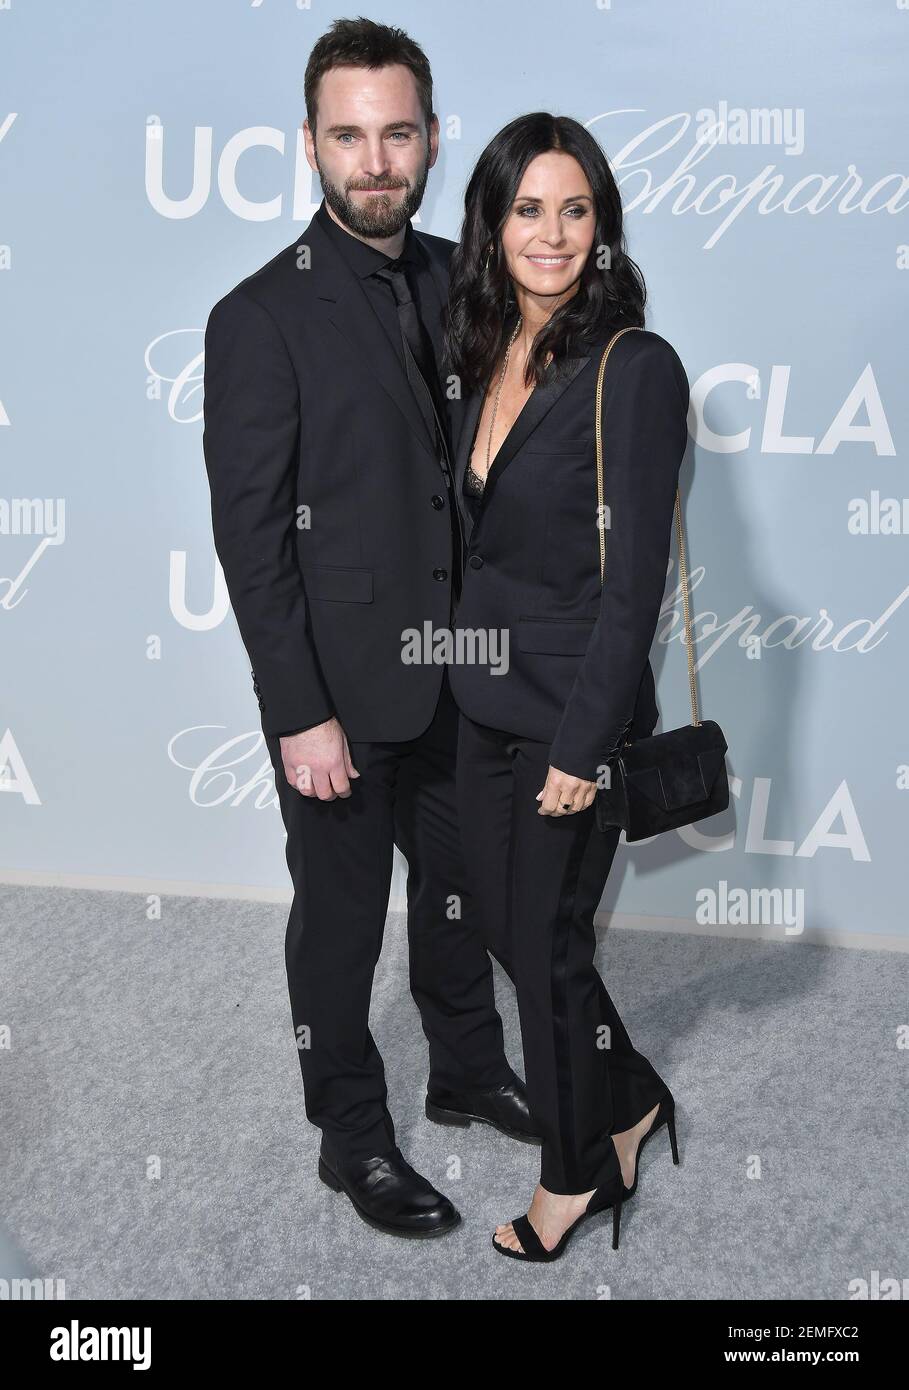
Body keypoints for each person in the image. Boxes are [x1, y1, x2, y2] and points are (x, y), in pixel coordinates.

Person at [202, 18, 538, 1242]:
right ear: (309, 145)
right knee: (339, 925)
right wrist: (298, 709)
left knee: (458, 893)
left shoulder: (473, 279)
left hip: (457, 673)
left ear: (433, 139)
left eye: (397, 132)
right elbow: (254, 539)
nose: (374, 158)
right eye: (348, 134)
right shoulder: (258, 317)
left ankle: (466, 1066)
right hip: (337, 695)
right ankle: (350, 1135)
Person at [445, 113, 687, 1261]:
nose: (552, 234)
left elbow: (634, 586)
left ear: (603, 224)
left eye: (576, 208)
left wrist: (581, 747)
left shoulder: (634, 368)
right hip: (478, 701)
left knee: (544, 943)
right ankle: (629, 1089)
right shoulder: (478, 345)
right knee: (512, 932)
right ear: (492, 223)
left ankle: (574, 1171)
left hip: (566, 719)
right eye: (529, 208)